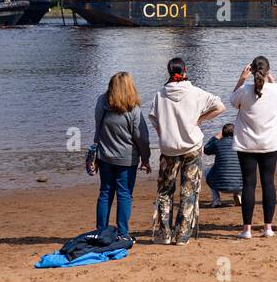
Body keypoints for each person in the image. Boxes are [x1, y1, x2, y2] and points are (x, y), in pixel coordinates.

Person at [148, 58, 224, 245]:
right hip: (192, 146)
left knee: (165, 191)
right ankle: (182, 235)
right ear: (185, 71)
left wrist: (164, 133)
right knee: (188, 191)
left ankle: (165, 234)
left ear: (169, 72)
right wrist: (200, 119)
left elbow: (154, 120)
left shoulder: (160, 94)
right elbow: (220, 107)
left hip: (168, 148)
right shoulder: (195, 92)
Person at [230, 56, 277, 239]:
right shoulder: (276, 89)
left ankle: (247, 229)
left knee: (249, 184)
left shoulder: (244, 90)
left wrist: (242, 79)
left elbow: (232, 102)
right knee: (268, 183)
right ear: (267, 71)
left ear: (251, 70)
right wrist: (271, 78)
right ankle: (268, 227)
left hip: (246, 144)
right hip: (270, 143)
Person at [92, 71, 151, 238]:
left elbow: (98, 128)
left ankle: (100, 231)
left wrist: (96, 153)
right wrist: (145, 159)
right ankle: (123, 233)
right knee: (124, 194)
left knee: (105, 193)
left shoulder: (101, 103)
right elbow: (141, 138)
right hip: (126, 159)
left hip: (105, 157)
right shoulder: (133, 109)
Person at [203, 123, 243, 209]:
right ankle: (239, 194)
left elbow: (206, 150)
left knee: (206, 170)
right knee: (242, 169)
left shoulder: (218, 143)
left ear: (222, 133)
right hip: (239, 184)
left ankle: (216, 199)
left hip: (219, 184)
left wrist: (215, 137)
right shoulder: (240, 144)